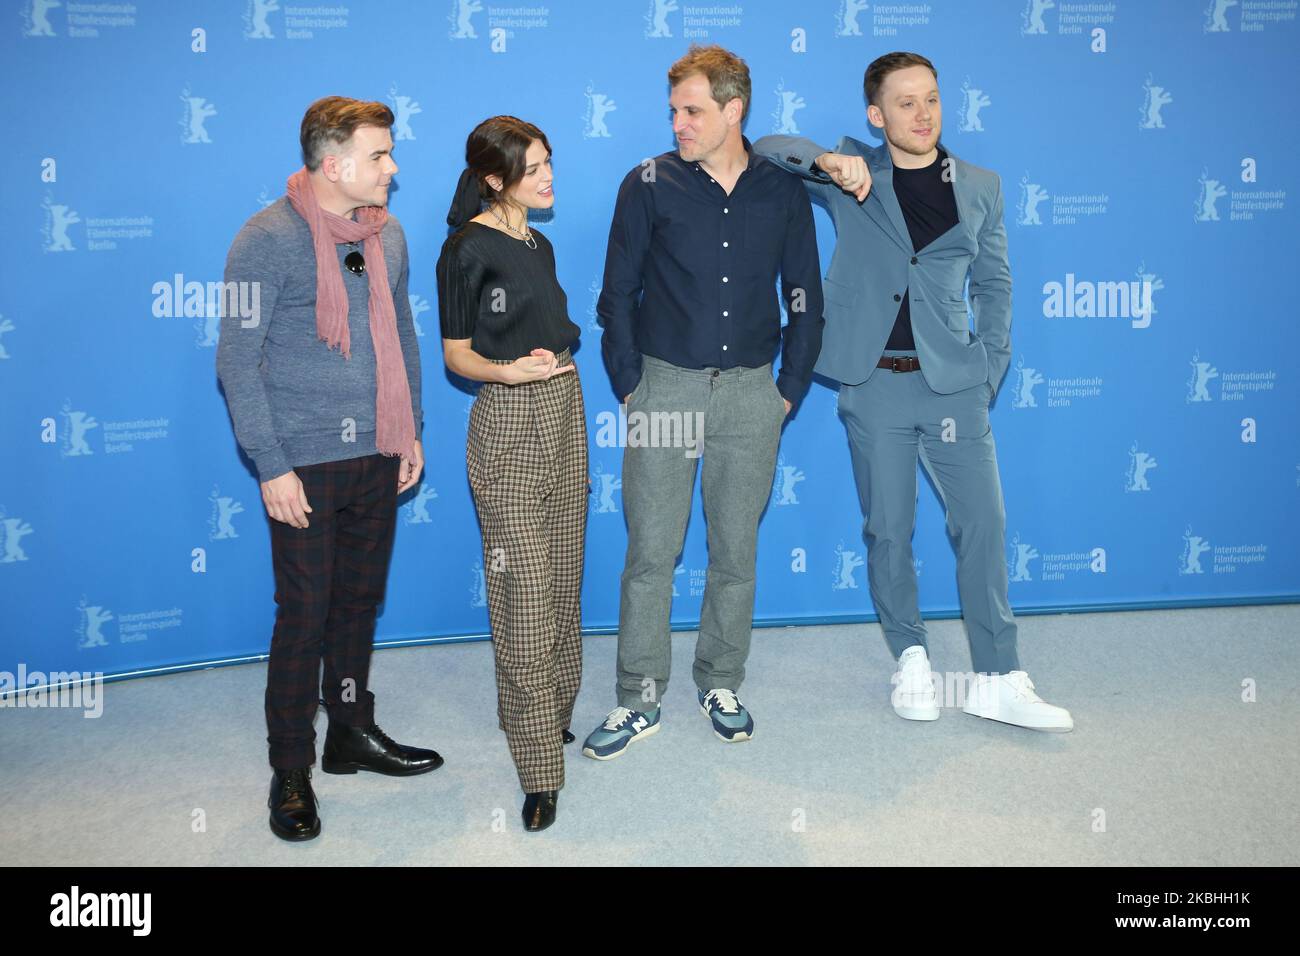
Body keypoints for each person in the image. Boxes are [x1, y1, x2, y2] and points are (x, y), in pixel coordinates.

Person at [753, 52, 1073, 731]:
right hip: (876, 384)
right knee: (888, 529)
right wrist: (824, 161)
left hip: (955, 385)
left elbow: (995, 284)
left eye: (931, 99)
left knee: (983, 524)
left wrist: (988, 369)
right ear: (877, 115)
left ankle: (997, 674)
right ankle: (912, 659)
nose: (922, 113)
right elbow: (768, 148)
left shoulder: (979, 184)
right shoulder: (852, 174)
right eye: (905, 103)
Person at [583, 44, 824, 760]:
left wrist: (788, 388)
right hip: (665, 386)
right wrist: (631, 383)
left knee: (735, 553)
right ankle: (637, 697)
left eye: (692, 111)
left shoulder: (781, 191)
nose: (678, 123)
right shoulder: (649, 183)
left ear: (733, 111)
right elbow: (616, 294)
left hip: (753, 393)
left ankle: (721, 679)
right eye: (675, 111)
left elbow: (805, 296)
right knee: (651, 552)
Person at [217, 95, 443, 843]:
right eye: (380, 155)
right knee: (304, 617)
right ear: (333, 161)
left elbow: (402, 338)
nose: (393, 167)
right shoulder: (265, 239)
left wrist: (409, 428)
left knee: (356, 606)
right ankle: (291, 769)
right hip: (303, 465)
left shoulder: (389, 236)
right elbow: (237, 364)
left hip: (377, 452)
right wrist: (271, 465)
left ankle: (349, 730)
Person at [437, 116, 587, 832]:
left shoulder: (539, 240)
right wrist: (510, 373)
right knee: (524, 594)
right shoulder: (465, 250)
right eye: (534, 168)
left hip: (566, 407)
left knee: (561, 579)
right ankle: (537, 768)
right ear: (495, 178)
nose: (549, 175)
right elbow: (457, 355)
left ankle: (549, 715)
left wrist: (547, 373)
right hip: (510, 419)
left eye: (550, 161)